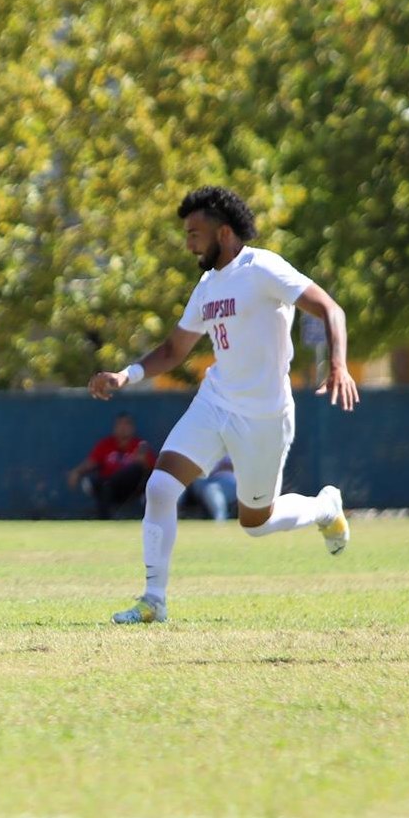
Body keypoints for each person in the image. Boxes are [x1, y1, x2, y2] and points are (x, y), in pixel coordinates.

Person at [91, 186, 356, 624]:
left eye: (195, 232)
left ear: (226, 232)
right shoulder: (207, 285)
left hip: (265, 416)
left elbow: (330, 308)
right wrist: (126, 375)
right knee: (159, 488)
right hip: (215, 402)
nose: (189, 242)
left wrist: (339, 365)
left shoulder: (263, 267)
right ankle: (153, 600)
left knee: (255, 522)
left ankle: (325, 507)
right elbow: (174, 351)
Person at [66, 412, 156, 518]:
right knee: (95, 483)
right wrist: (76, 472)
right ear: (115, 427)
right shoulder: (106, 444)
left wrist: (143, 462)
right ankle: (104, 518)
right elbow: (91, 463)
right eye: (120, 425)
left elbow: (153, 469)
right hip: (108, 489)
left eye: (127, 424)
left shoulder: (140, 445)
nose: (123, 428)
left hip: (130, 488)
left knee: (134, 469)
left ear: (132, 428)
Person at [184, 457, 237, 522]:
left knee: (212, 489)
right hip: (202, 480)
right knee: (177, 484)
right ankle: (173, 517)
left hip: (227, 481)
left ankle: (220, 521)